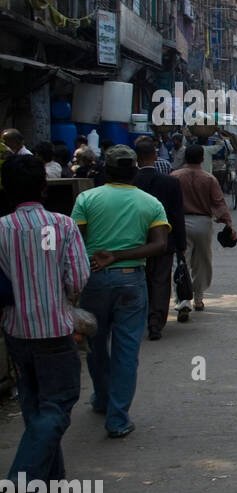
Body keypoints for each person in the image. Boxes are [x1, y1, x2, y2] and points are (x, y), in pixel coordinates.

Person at [0, 156, 90, 493]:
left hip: (16, 331)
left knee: (37, 408)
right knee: (57, 405)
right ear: (43, 186)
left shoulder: (1, 228)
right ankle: (21, 486)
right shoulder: (62, 224)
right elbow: (78, 278)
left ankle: (46, 488)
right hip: (54, 329)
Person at [71, 144, 170, 439]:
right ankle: (117, 418)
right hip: (131, 280)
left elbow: (75, 241)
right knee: (127, 351)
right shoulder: (150, 203)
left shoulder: (86, 198)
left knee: (96, 344)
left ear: (107, 170)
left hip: (94, 279)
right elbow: (160, 245)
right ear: (135, 171)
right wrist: (121, 255)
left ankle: (101, 398)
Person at [132, 137, 187, 340]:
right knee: (161, 281)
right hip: (165, 241)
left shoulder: (131, 183)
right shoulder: (170, 183)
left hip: (135, 242)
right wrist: (181, 244)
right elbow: (176, 215)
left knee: (142, 279)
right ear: (155, 156)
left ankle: (144, 317)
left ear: (136, 158)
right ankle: (156, 322)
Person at [172, 144, 234, 316]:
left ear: (185, 158)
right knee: (202, 262)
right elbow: (219, 203)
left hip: (180, 223)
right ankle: (198, 298)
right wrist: (228, 224)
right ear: (202, 159)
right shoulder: (209, 179)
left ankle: (182, 300)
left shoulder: (174, 177)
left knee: (181, 262)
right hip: (203, 223)